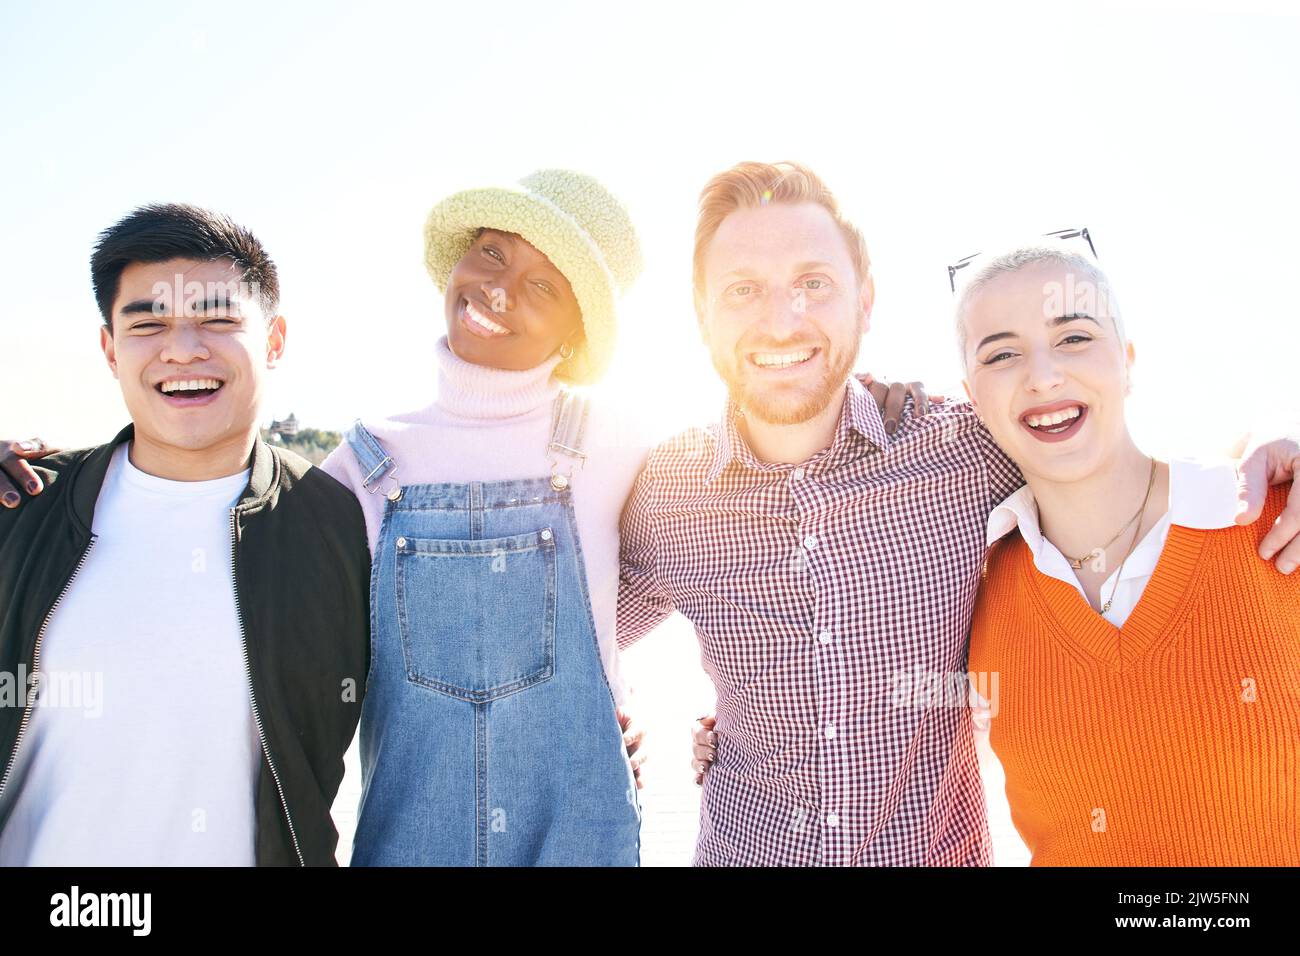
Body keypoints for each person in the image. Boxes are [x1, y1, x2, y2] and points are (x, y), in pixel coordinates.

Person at [625, 161, 1300, 866]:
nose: (782, 318)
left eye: (814, 283)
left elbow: (1119, 454)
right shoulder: (662, 496)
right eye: (742, 290)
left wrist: (1278, 438)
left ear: (866, 301)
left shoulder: (969, 449)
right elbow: (569, 631)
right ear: (701, 315)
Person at [0, 204, 370, 865]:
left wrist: (600, 704)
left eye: (218, 319)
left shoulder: (348, 527)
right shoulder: (22, 505)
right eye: (148, 323)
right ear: (111, 348)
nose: (183, 348)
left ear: (275, 340)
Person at [318, 170, 651, 866]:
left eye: (543, 286)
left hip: (580, 846)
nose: (499, 290)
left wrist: (598, 691)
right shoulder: (364, 465)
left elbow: (736, 519)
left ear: (576, 329)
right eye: (494, 254)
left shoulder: (619, 444)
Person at [956, 246, 1300, 865]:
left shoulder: (1278, 522)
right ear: (970, 398)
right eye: (1001, 354)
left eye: (1074, 337)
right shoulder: (967, 587)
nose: (1042, 376)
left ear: (1128, 362)